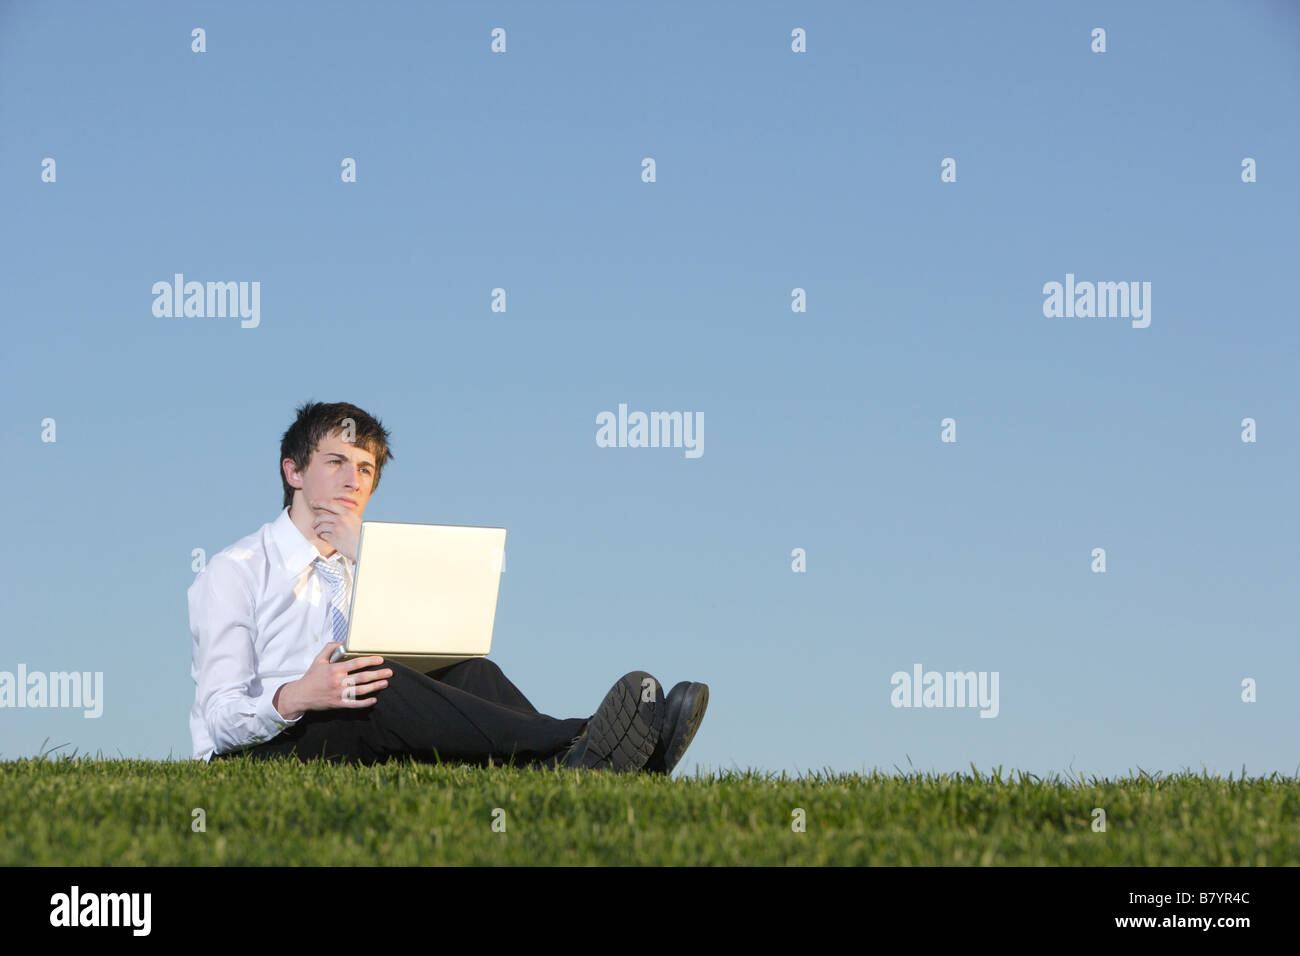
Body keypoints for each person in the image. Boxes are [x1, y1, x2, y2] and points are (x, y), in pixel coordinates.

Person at [190, 400, 708, 774]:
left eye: (365, 469)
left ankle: (593, 758)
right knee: (374, 679)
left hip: (356, 725)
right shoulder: (235, 570)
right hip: (265, 747)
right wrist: (298, 694)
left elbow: (431, 663)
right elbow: (218, 720)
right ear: (294, 472)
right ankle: (582, 740)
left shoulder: (366, 564)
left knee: (471, 670)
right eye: (336, 462)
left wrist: (365, 556)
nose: (353, 480)